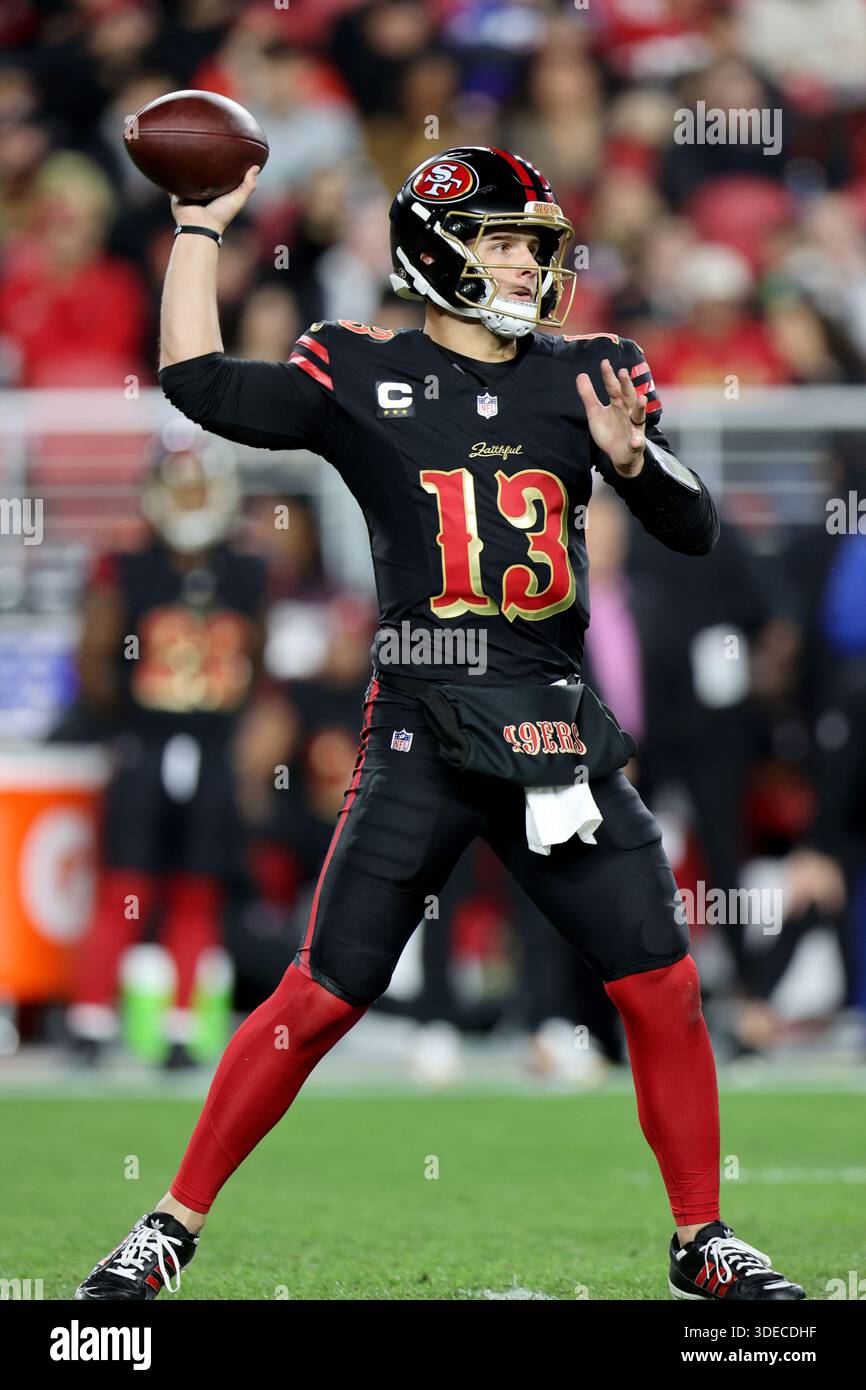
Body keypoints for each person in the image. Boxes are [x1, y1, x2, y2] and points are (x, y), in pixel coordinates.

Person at [75, 146, 804, 1301]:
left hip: (552, 730)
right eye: (503, 241)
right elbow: (199, 383)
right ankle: (168, 1223)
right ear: (434, 248)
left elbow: (692, 527)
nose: (526, 263)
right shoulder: (359, 366)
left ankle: (699, 1235)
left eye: (534, 243)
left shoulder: (589, 372)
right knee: (322, 992)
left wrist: (636, 463)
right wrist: (202, 231)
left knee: (659, 981)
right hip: (420, 719)